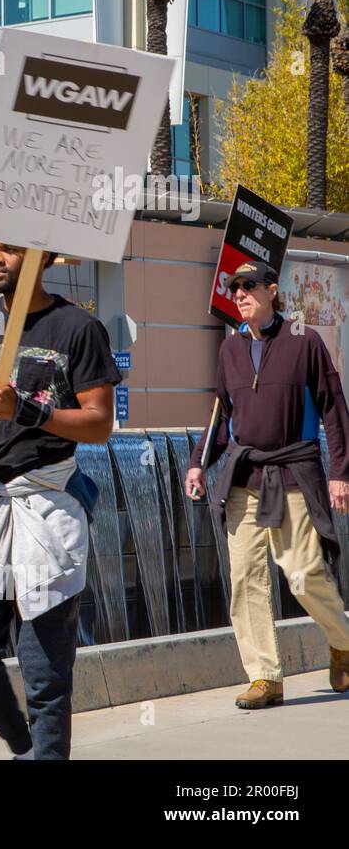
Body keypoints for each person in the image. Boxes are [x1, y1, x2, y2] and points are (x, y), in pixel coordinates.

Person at [0, 240, 121, 760]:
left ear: (45, 258)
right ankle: (24, 747)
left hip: (47, 504)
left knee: (45, 674)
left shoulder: (78, 329)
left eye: (9, 249)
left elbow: (100, 424)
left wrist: (27, 411)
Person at [186, 261, 349, 709]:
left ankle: (343, 642)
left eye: (249, 286)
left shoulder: (303, 341)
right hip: (243, 476)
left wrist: (340, 471)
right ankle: (264, 677)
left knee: (302, 574)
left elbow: (333, 407)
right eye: (234, 287)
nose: (239, 293)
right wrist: (199, 463)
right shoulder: (230, 349)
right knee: (245, 580)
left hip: (294, 472)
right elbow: (221, 415)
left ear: (272, 291)